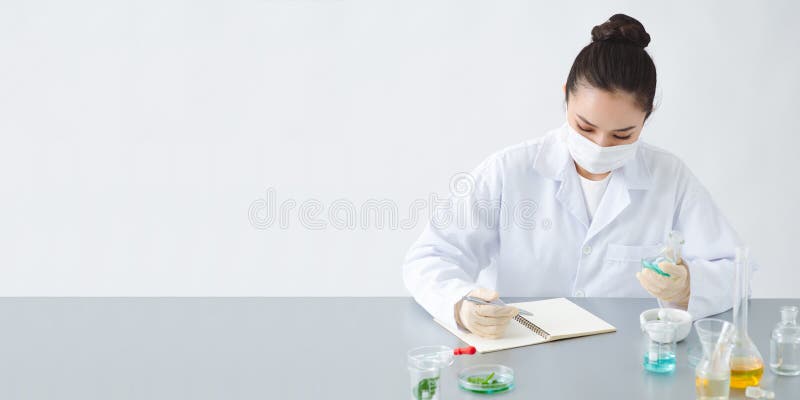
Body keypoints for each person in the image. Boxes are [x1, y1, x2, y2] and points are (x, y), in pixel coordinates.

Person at [402, 14, 745, 339]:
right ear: (566, 94)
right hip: (525, 355)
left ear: (647, 116)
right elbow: (431, 256)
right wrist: (461, 305)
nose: (600, 145)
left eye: (622, 135)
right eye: (585, 126)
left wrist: (688, 285)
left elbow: (735, 270)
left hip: (626, 359)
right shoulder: (509, 170)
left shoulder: (670, 178)